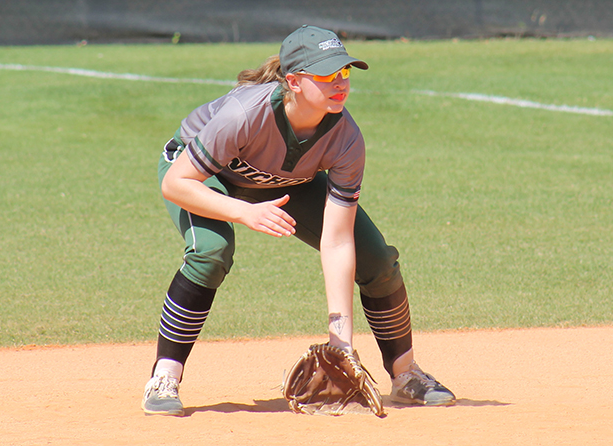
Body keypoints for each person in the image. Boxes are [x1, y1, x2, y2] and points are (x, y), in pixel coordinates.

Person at [142, 25, 455, 416]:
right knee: (211, 250)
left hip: (287, 182)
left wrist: (340, 343)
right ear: (293, 81)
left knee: (376, 260)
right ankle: (164, 377)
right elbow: (176, 183)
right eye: (326, 74)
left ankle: (407, 375)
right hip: (202, 175)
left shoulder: (346, 138)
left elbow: (339, 240)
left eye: (345, 72)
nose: (339, 82)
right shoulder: (245, 114)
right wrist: (245, 211)